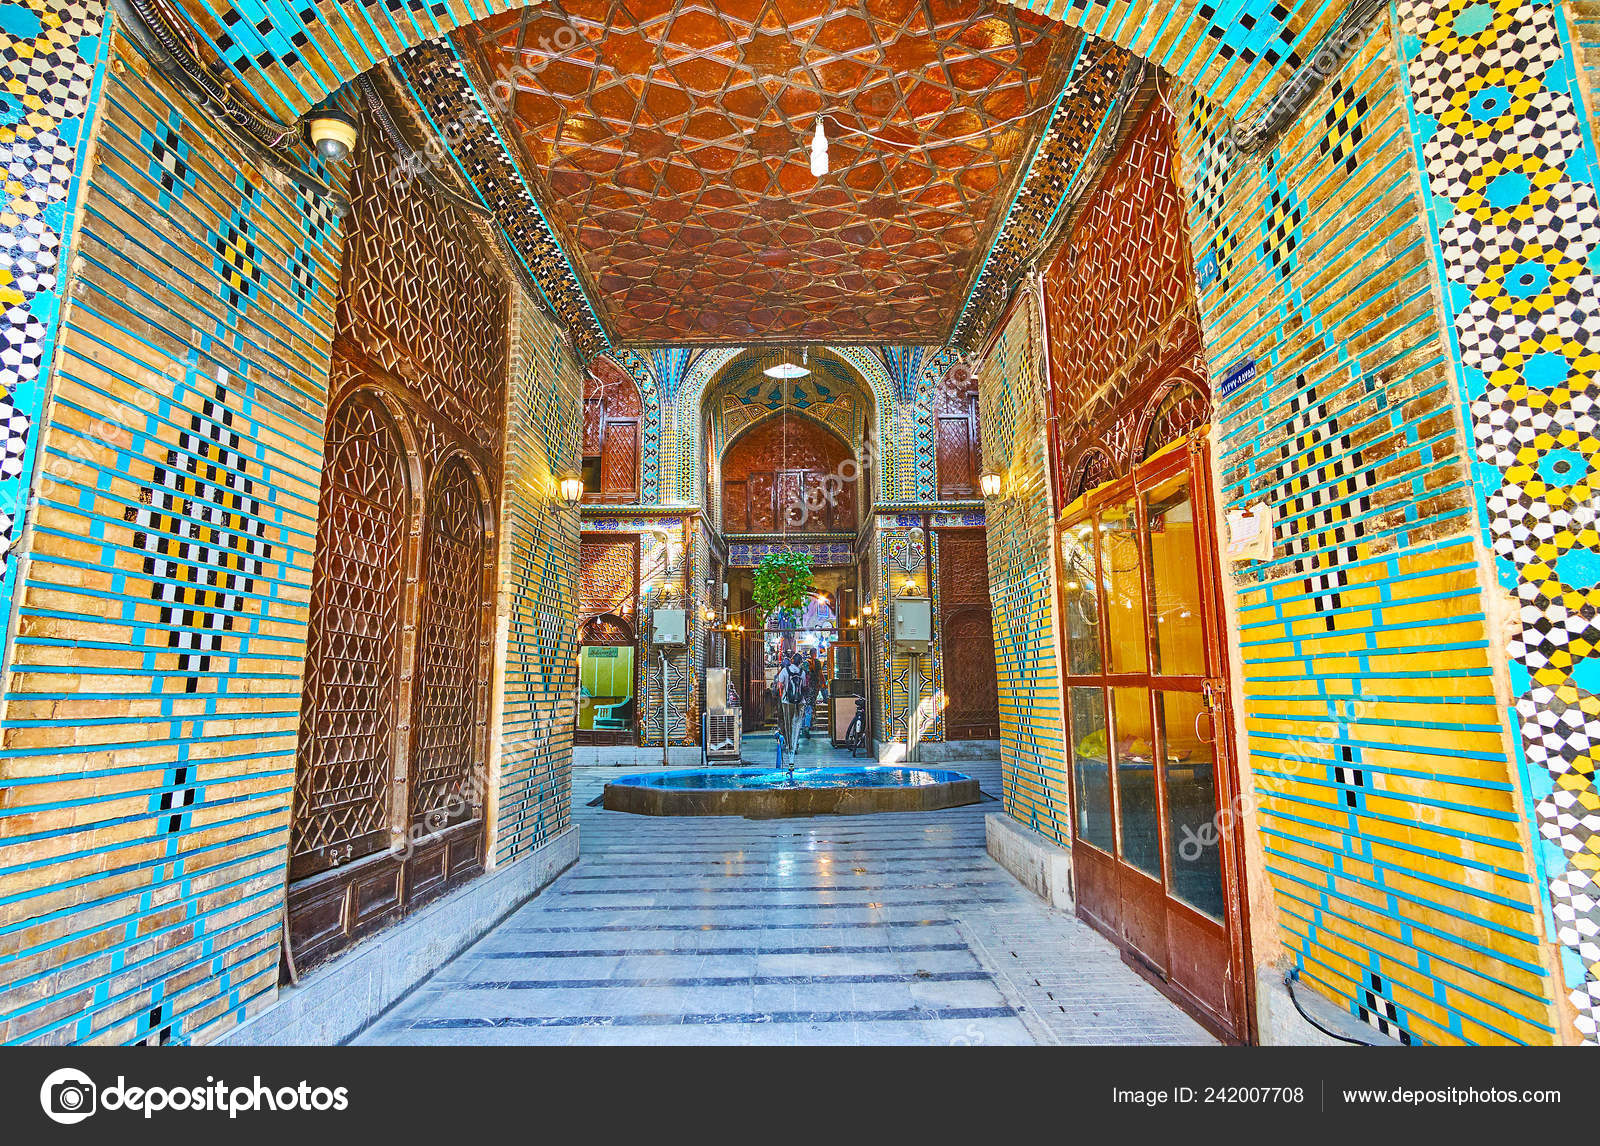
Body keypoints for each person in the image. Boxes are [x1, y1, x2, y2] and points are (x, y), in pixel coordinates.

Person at [776, 651, 807, 753]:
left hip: (787, 701)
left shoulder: (785, 671)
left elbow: (780, 685)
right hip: (800, 702)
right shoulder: (802, 672)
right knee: (797, 724)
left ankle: (789, 745)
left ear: (792, 661)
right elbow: (804, 687)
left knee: (788, 724)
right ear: (800, 662)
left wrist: (782, 693)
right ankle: (795, 745)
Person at [800, 652, 824, 739]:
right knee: (809, 707)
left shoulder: (804, 664)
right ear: (815, 654)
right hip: (813, 688)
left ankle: (803, 726)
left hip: (804, 689)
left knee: (805, 707)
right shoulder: (817, 662)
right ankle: (807, 726)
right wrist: (823, 683)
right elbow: (820, 674)